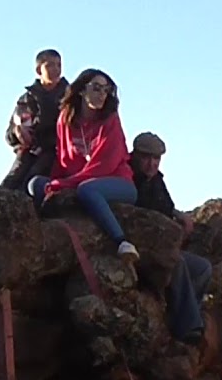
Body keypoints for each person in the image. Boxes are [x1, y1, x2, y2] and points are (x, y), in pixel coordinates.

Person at [28, 69, 139, 264]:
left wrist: (64, 184)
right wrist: (54, 184)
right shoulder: (66, 118)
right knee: (36, 184)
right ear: (81, 90)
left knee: (87, 190)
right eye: (96, 88)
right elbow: (63, 158)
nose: (102, 94)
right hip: (76, 181)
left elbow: (103, 166)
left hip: (116, 181)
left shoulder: (110, 120)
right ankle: (42, 227)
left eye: (106, 90)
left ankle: (121, 242)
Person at [129, 131, 211, 344]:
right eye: (146, 158)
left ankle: (177, 316)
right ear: (136, 156)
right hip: (138, 251)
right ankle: (189, 328)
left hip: (165, 245)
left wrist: (178, 216)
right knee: (178, 262)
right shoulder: (125, 178)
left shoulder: (157, 181)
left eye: (156, 159)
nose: (151, 164)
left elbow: (166, 207)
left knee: (203, 268)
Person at [0, 49, 68, 192]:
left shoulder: (68, 97)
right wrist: (17, 132)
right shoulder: (27, 99)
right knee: (9, 184)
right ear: (39, 70)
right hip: (27, 152)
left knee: (30, 182)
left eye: (58, 65)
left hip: (54, 153)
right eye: (50, 65)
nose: (56, 70)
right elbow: (9, 135)